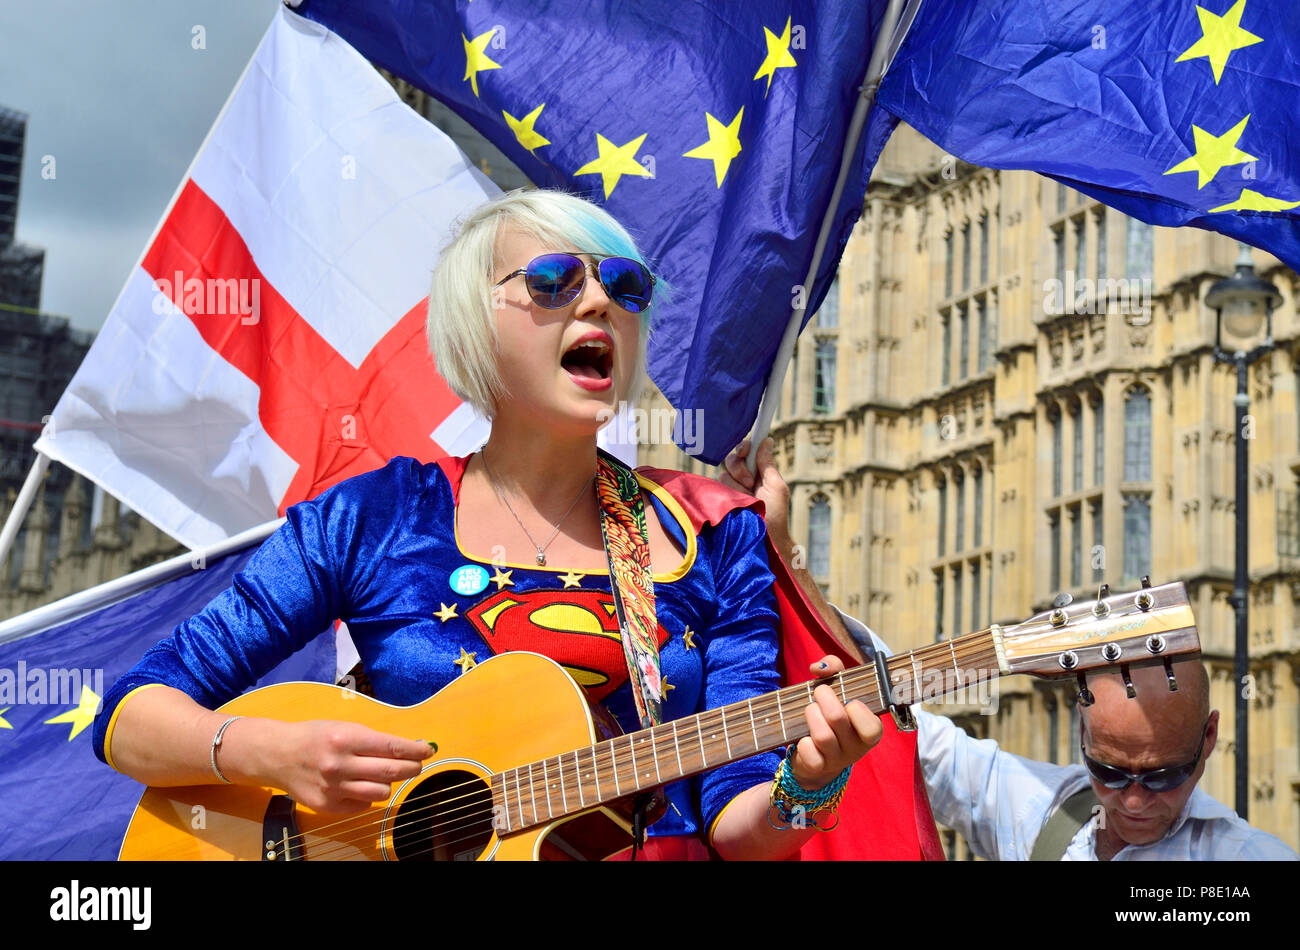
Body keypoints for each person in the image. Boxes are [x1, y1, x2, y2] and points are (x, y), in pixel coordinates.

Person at [91, 188, 883, 861]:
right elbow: (130, 715)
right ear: (475, 318)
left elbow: (736, 825)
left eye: (626, 286)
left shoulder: (711, 532)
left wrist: (807, 786)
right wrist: (271, 751)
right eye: (552, 281)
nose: (600, 302)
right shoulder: (375, 519)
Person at [722, 437, 1299, 861]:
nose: (1135, 801)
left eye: (1165, 776)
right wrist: (782, 543)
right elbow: (914, 737)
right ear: (1082, 729)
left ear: (1208, 740)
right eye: (1109, 770)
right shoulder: (1045, 808)